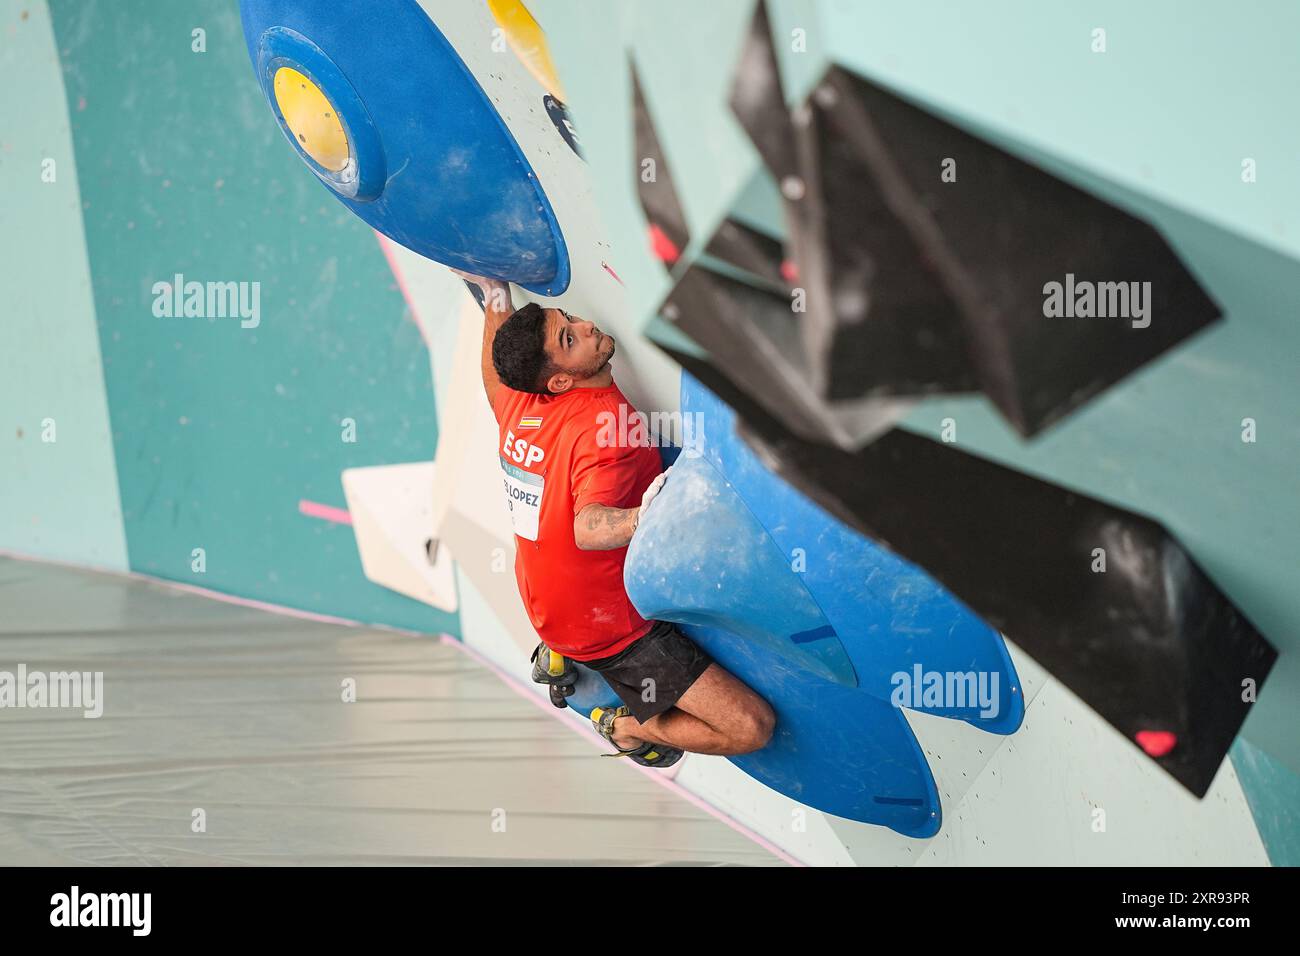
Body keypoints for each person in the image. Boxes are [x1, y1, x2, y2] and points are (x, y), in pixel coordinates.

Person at [454, 270, 774, 767]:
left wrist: (495, 294)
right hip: (611, 631)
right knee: (750, 727)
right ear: (560, 380)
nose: (584, 325)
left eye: (570, 319)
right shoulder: (609, 433)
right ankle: (626, 726)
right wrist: (643, 519)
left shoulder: (523, 401)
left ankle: (559, 648)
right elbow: (588, 527)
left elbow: (495, 380)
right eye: (568, 337)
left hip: (544, 605)